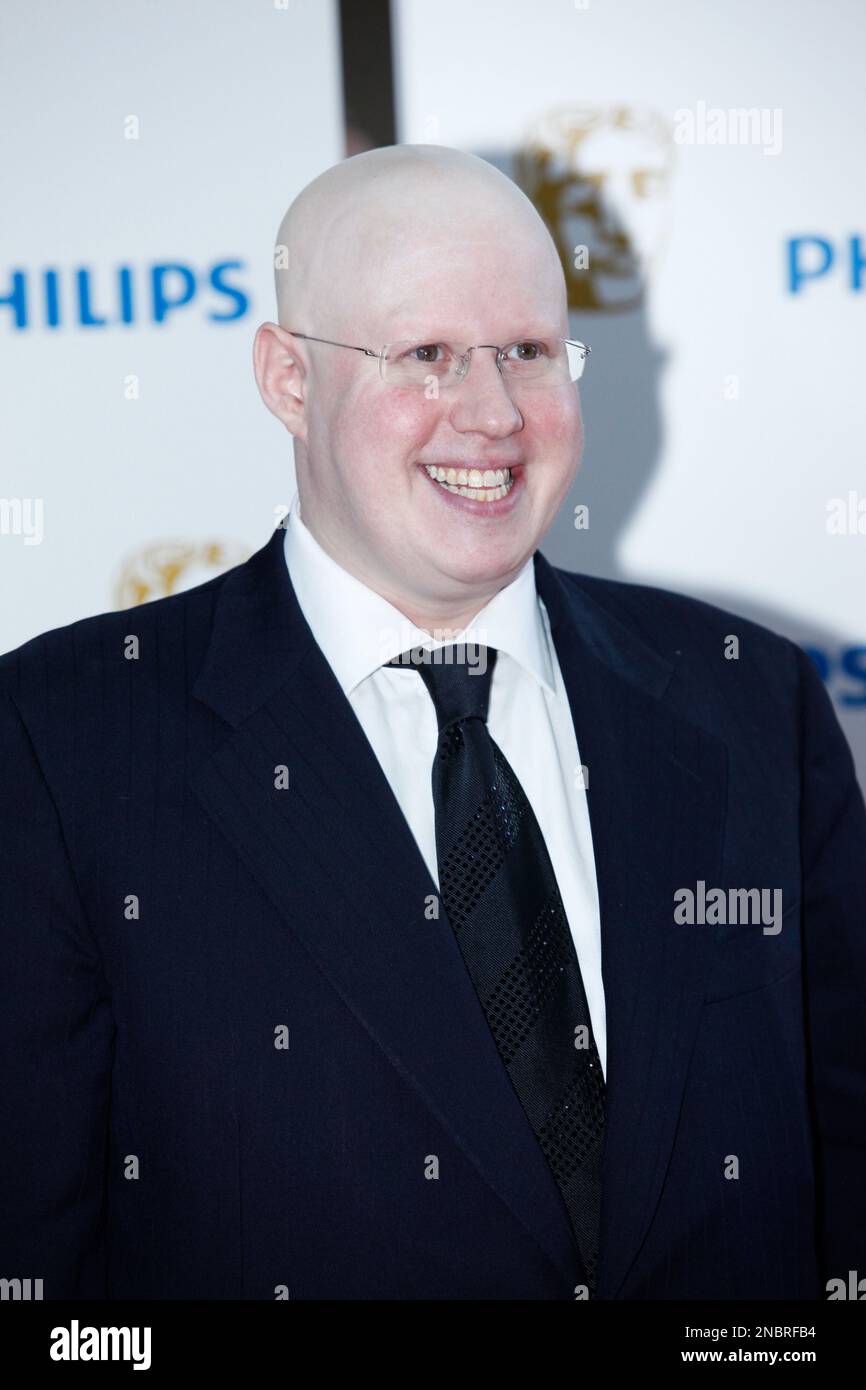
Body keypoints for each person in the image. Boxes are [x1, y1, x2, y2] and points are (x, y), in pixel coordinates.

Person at [1, 144, 864, 1301]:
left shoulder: (747, 696)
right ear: (289, 380)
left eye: (524, 351)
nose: (494, 412)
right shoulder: (65, 740)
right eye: (427, 356)